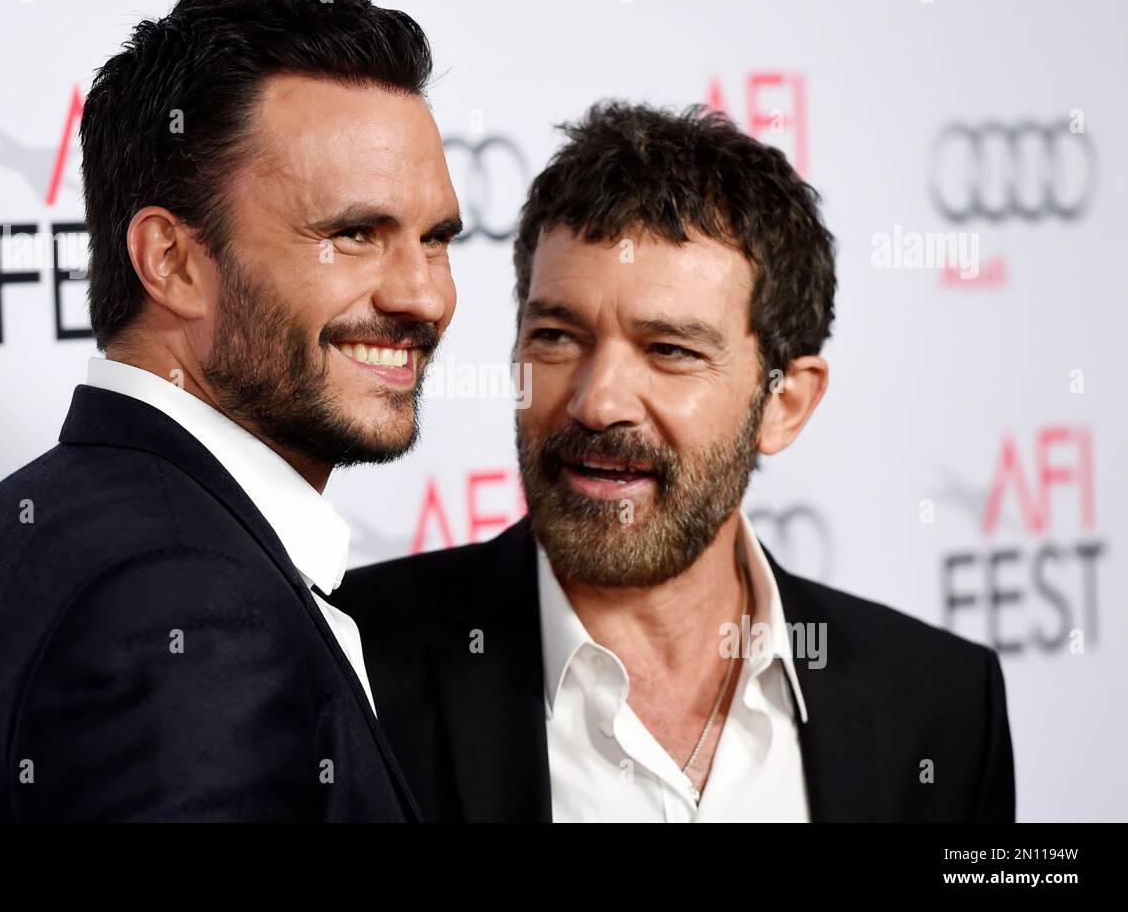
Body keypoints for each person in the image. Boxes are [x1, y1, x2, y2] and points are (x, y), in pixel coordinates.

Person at [0, 0, 461, 820]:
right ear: (173, 261)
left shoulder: (9, 529)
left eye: (435, 240)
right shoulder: (189, 606)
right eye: (354, 235)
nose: (424, 297)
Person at [338, 102, 1015, 822]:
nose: (598, 402)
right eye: (558, 336)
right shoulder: (350, 666)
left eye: (670, 351)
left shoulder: (937, 701)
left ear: (785, 402)